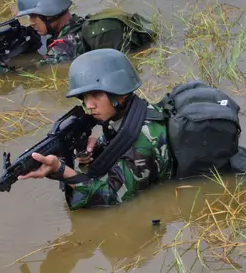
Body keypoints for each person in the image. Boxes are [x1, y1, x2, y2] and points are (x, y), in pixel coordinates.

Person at [17, 49, 172, 210]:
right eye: (84, 97)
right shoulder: (131, 114)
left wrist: (61, 170)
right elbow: (116, 146)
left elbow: (110, 198)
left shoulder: (143, 139)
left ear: (120, 92)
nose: (89, 105)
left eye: (96, 94)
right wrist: (95, 150)